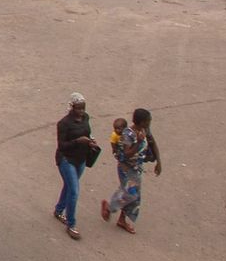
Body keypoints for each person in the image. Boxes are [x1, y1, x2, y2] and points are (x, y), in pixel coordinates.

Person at [102, 107, 161, 233]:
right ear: (140, 122)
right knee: (130, 193)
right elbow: (126, 154)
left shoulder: (144, 130)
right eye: (147, 121)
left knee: (134, 195)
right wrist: (138, 143)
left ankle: (122, 219)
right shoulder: (127, 134)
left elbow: (152, 142)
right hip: (126, 169)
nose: (149, 123)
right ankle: (109, 206)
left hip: (137, 168)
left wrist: (159, 162)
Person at [53, 93, 100, 239]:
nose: (81, 111)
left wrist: (90, 141)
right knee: (74, 191)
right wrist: (78, 141)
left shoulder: (85, 118)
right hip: (67, 160)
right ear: (71, 107)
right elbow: (62, 146)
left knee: (69, 186)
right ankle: (71, 224)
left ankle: (59, 210)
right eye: (78, 108)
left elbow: (88, 132)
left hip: (81, 159)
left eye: (83, 108)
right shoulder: (64, 124)